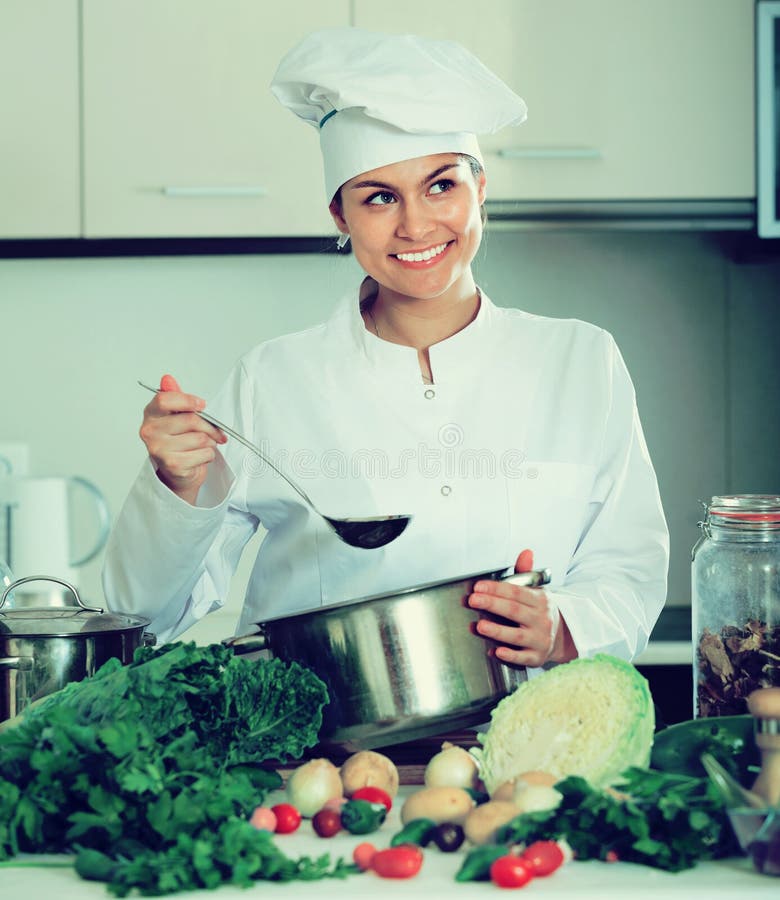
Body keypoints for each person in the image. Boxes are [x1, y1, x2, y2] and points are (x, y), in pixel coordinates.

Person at [103, 27, 669, 675]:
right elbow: (145, 616)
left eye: (441, 186)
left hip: (528, 731)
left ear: (480, 189)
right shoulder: (272, 381)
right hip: (320, 735)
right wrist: (178, 488)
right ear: (340, 217)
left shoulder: (581, 361)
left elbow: (628, 567)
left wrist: (566, 625)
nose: (416, 225)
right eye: (379, 197)